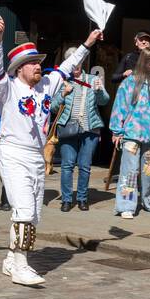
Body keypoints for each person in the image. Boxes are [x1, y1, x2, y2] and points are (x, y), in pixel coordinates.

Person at [0, 19, 104, 283]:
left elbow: (66, 66)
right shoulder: (7, 88)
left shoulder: (46, 85)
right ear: (18, 69)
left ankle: (10, 258)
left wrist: (87, 43)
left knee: (35, 215)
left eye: (39, 61)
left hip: (36, 157)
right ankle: (20, 266)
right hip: (13, 152)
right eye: (32, 62)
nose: (38, 65)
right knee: (24, 210)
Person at [109, 48, 150, 218]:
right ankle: (126, 206)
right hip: (131, 134)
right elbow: (119, 107)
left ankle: (149, 201)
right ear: (144, 62)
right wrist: (116, 130)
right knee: (129, 172)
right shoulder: (130, 82)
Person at [51, 46, 110, 211]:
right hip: (68, 128)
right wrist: (63, 94)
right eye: (72, 63)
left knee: (85, 165)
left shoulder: (92, 79)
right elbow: (52, 108)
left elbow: (104, 101)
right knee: (67, 165)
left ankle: (83, 198)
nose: (76, 67)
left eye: (78, 63)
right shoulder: (62, 82)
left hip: (89, 129)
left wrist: (99, 91)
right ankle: (67, 200)